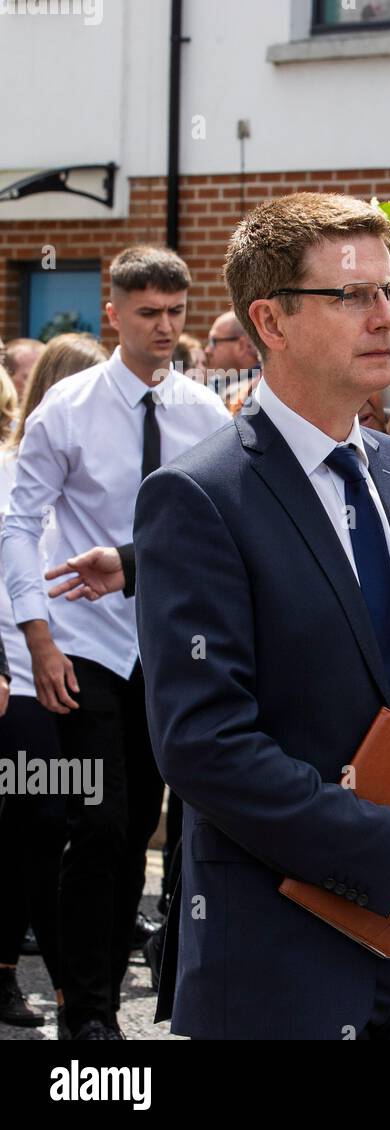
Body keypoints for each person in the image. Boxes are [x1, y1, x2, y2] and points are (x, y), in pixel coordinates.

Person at [134, 191, 390, 1040]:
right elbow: (205, 744)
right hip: (283, 966)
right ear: (271, 321)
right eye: (352, 295)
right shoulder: (199, 497)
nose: (385, 316)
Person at [0, 246, 230, 1041]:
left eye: (175, 313)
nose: (164, 328)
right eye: (147, 314)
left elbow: (214, 535)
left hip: (167, 648)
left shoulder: (204, 415)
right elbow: (20, 524)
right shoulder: (66, 408)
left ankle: (94, 991)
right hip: (81, 644)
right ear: (114, 315)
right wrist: (36, 639)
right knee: (96, 823)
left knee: (135, 832)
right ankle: (87, 1011)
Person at [0, 333, 107, 1031]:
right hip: (24, 684)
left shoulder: (101, 479)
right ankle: (47, 982)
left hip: (88, 678)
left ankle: (53, 981)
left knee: (57, 828)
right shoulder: (14, 474)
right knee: (38, 823)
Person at [203, 309, 261, 403]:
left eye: (214, 342)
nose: (207, 350)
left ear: (241, 346)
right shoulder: (213, 384)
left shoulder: (262, 389)